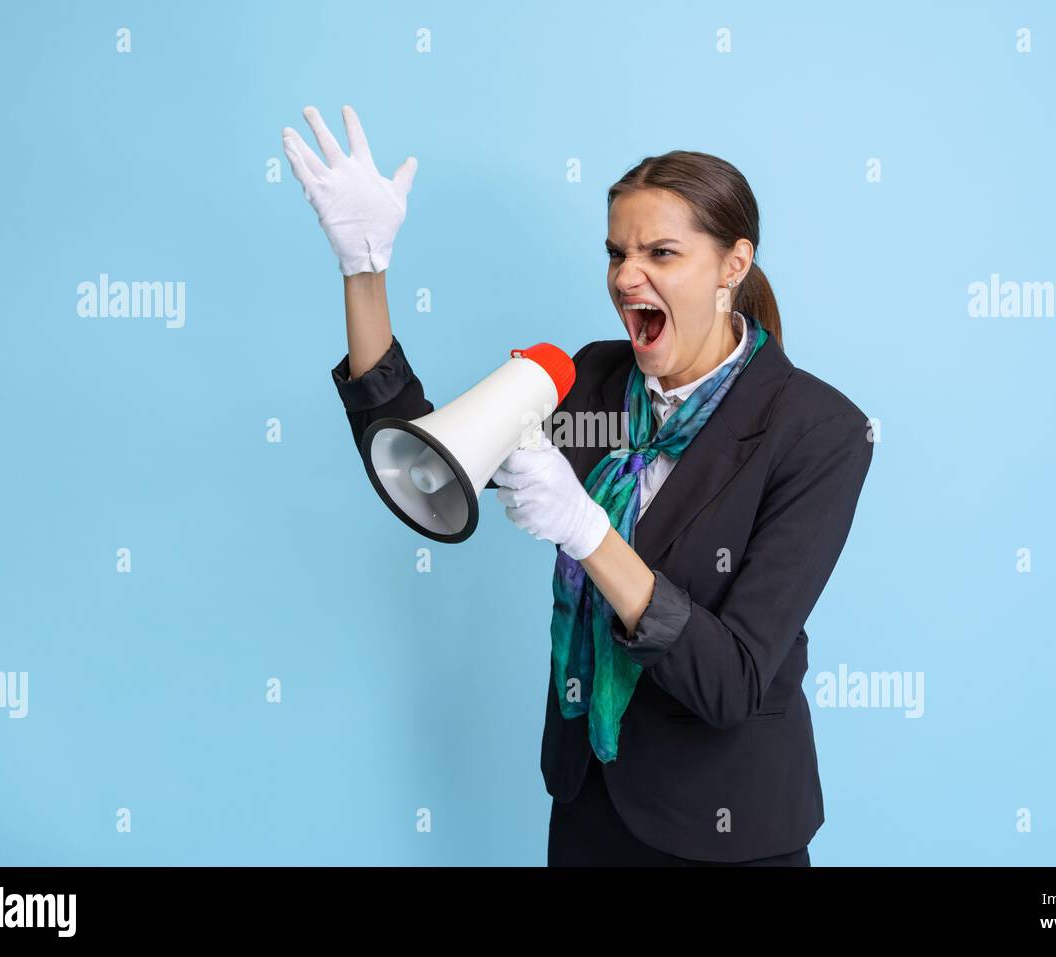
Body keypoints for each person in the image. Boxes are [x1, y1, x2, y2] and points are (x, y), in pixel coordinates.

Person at [283, 105, 874, 867]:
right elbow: (420, 460)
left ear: (734, 265)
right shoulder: (591, 382)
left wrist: (587, 530)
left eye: (661, 252)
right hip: (590, 810)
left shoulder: (817, 430)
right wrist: (363, 270)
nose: (628, 277)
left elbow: (733, 680)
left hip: (732, 829)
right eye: (617, 253)